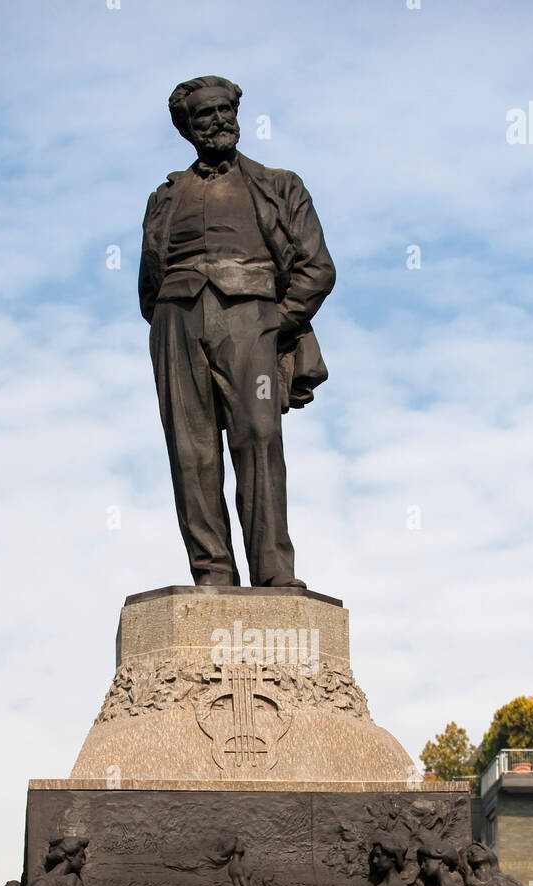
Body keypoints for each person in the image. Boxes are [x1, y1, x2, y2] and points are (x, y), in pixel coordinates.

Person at [139, 76, 335, 587]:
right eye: (205, 115)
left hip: (254, 316)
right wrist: (169, 321)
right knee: (190, 450)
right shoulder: (164, 197)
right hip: (176, 319)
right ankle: (212, 572)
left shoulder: (279, 184)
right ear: (186, 128)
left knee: (259, 437)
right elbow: (147, 283)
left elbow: (317, 268)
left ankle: (273, 572)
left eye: (226, 110)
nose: (219, 120)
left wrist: (276, 321)